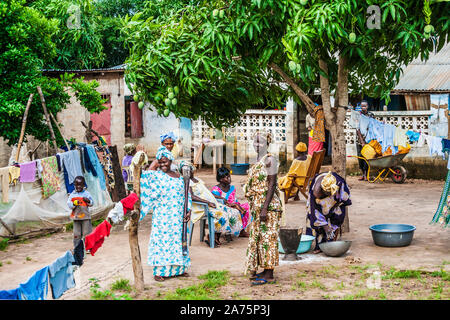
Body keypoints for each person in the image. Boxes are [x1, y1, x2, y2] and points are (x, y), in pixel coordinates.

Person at [140, 146, 191, 282]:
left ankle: (179, 269)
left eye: (165, 161)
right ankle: (160, 271)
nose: (163, 165)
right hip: (162, 217)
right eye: (160, 162)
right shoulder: (156, 176)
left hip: (178, 216)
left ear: (171, 161)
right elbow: (145, 176)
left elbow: (187, 194)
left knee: (177, 241)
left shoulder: (179, 176)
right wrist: (155, 162)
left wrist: (189, 209)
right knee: (162, 242)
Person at [244, 131, 283, 285]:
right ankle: (265, 270)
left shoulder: (270, 160)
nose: (257, 144)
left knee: (269, 240)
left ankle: (269, 275)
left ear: (267, 144)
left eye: (260, 142)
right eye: (255, 141)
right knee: (261, 240)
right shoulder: (258, 160)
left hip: (269, 207)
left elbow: (272, 184)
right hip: (258, 206)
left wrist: (265, 208)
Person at [188, 165, 244, 247]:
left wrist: (218, 199)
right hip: (202, 207)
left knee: (234, 212)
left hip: (211, 203)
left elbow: (209, 193)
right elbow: (191, 197)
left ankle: (219, 235)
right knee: (223, 214)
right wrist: (207, 202)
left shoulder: (197, 180)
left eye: (191, 170)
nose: (191, 171)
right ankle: (212, 236)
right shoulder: (187, 182)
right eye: (188, 170)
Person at [305, 171, 352, 254]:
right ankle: (319, 245)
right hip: (318, 206)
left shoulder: (340, 184)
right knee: (317, 223)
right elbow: (314, 212)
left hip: (335, 202)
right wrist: (325, 226)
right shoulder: (314, 191)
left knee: (337, 217)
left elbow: (344, 200)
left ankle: (331, 242)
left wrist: (335, 206)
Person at [211, 167, 250, 238]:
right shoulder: (216, 189)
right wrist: (227, 201)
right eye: (226, 177)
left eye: (229, 176)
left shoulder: (232, 188)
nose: (229, 178)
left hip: (233, 205)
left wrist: (237, 205)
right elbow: (216, 201)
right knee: (236, 211)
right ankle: (232, 231)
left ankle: (242, 230)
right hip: (223, 207)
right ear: (221, 179)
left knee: (247, 207)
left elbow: (233, 200)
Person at [67, 176, 94, 248]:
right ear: (74, 185)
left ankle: (88, 247)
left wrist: (88, 201)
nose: (78, 186)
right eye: (77, 185)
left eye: (80, 185)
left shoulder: (87, 194)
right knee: (77, 234)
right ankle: (77, 248)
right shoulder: (72, 195)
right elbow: (69, 205)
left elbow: (92, 203)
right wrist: (73, 204)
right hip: (76, 218)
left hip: (86, 217)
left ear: (83, 185)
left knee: (87, 233)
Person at [355, 100, 375, 180]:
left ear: (367, 106)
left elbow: (374, 125)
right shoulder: (357, 116)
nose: (363, 108)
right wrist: (362, 141)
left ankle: (367, 174)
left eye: (365, 106)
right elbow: (357, 129)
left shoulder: (371, 115)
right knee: (360, 157)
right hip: (359, 140)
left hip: (368, 139)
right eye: (362, 106)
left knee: (367, 157)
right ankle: (363, 174)